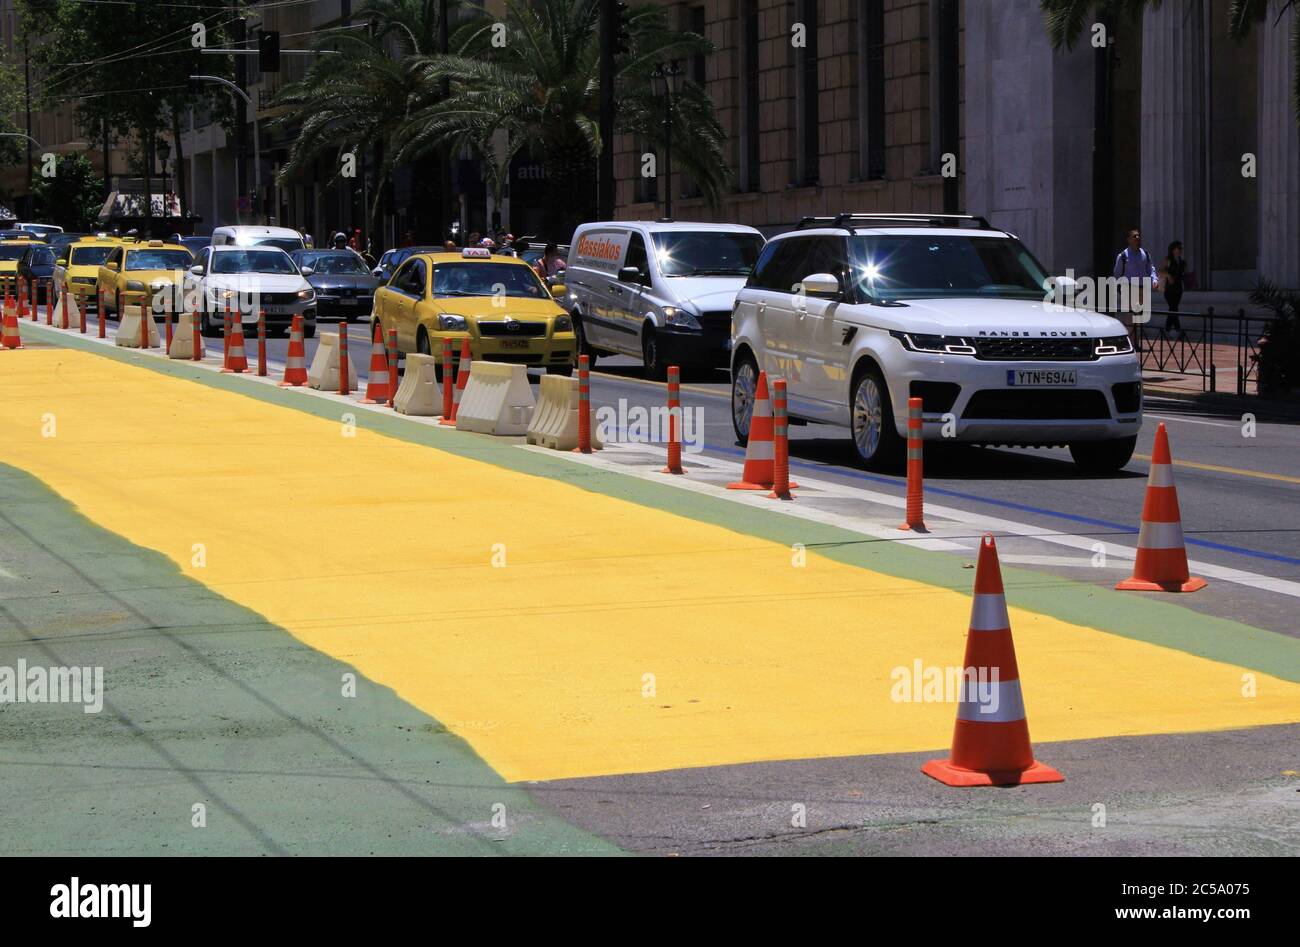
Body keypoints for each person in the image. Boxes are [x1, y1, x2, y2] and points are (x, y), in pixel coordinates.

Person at [1113, 228, 1158, 314]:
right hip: (1128, 288)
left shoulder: (1146, 255)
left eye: (1138, 236)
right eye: (1134, 236)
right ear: (1128, 240)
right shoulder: (1122, 256)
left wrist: (1154, 280)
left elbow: (1151, 269)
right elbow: (1117, 274)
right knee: (1130, 316)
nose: (1137, 238)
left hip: (1142, 288)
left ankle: (1137, 327)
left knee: (1139, 317)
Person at [1160, 240, 1187, 335]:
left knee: (1174, 309)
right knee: (1173, 308)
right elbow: (1161, 271)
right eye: (1179, 248)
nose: (1180, 250)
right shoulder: (1168, 260)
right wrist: (1168, 276)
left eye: (1181, 248)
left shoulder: (1182, 262)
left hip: (1179, 289)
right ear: (1173, 249)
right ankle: (1176, 331)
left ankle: (1168, 331)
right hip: (1169, 289)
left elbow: (1183, 275)